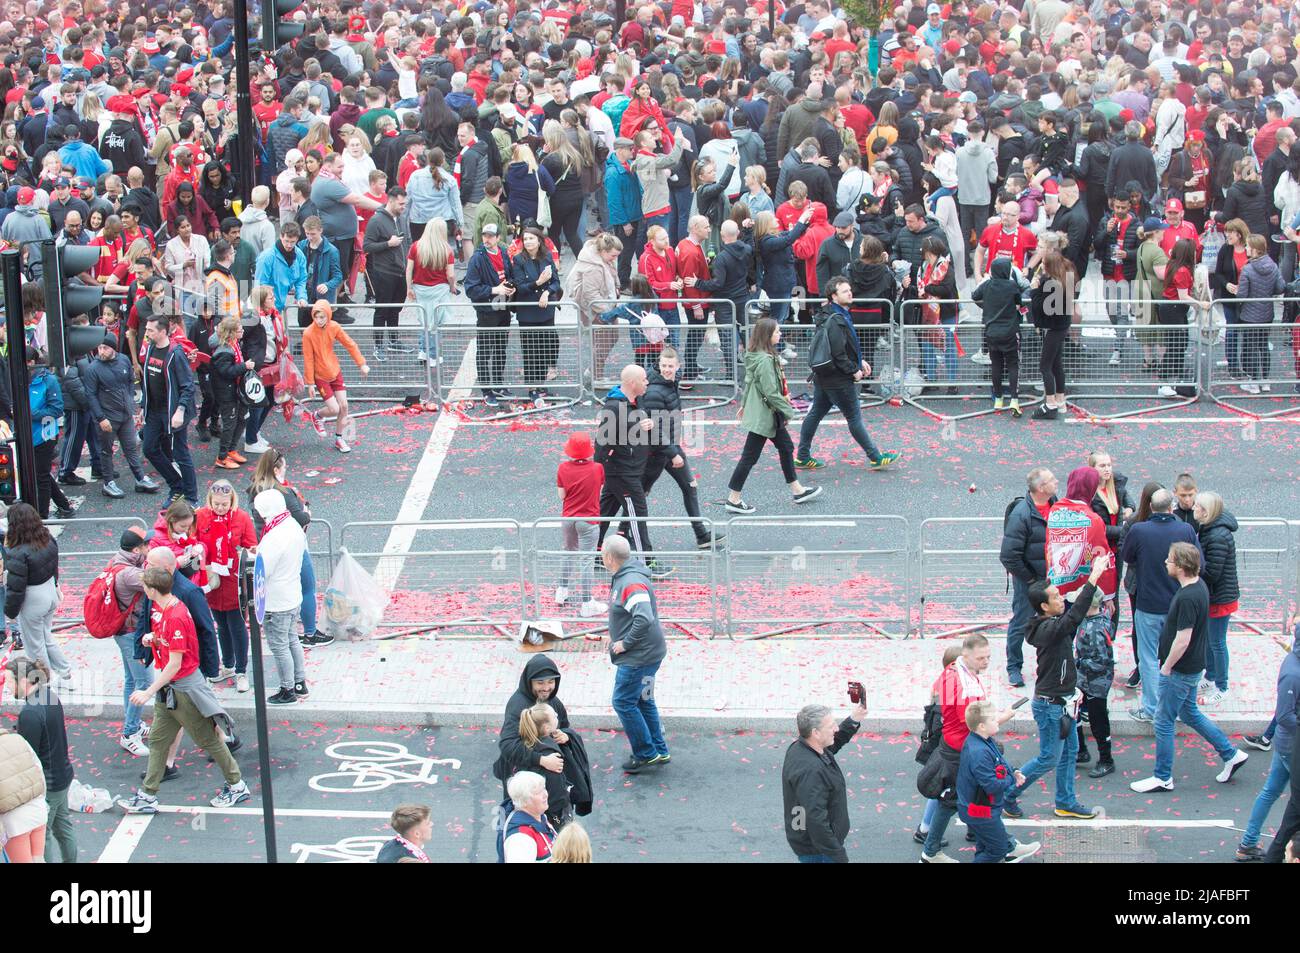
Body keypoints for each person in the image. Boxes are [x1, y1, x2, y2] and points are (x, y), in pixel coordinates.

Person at [116, 565, 250, 814]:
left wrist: (148, 691)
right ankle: (147, 795)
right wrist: (152, 639)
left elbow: (175, 663)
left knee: (208, 740)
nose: (142, 589)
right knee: (157, 740)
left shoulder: (176, 614)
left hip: (185, 689)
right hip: (171, 689)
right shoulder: (160, 608)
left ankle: (237, 785)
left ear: (153, 590)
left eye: (145, 586)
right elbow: (167, 642)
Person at [1129, 543, 1249, 793]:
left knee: (1163, 721)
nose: (1166, 563)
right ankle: (1230, 753)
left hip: (1180, 670)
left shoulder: (1187, 597)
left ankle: (1162, 777)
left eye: (1170, 560)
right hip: (1193, 666)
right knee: (1190, 713)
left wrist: (1166, 667)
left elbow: (1182, 638)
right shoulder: (1199, 587)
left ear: (1182, 567)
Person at [1001, 553, 1109, 822]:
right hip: (1051, 706)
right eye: (1057, 598)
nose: (1062, 599)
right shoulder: (1050, 629)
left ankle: (1065, 801)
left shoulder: (1050, 624)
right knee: (1049, 758)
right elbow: (1073, 619)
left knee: (1070, 752)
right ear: (1044, 607)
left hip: (1064, 702)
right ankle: (1008, 793)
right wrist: (1093, 577)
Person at [794, 277, 901, 470]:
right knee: (853, 417)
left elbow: (845, 346)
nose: (850, 293)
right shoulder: (836, 319)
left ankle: (802, 456)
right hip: (838, 378)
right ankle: (875, 456)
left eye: (849, 290)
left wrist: (860, 361)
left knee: (816, 413)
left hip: (824, 376)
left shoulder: (833, 314)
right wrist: (854, 370)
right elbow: (838, 353)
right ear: (833, 296)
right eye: (845, 291)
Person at [726, 318, 823, 514]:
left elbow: (749, 382)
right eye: (777, 332)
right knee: (750, 457)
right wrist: (789, 411)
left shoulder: (758, 356)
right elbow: (770, 392)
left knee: (785, 447)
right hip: (766, 415)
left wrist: (744, 404)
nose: (780, 334)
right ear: (767, 335)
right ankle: (733, 498)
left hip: (765, 413)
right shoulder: (765, 360)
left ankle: (797, 489)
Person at [1121, 489, 1202, 721]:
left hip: (1148, 603)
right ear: (1170, 508)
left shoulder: (1139, 530)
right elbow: (1199, 563)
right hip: (1177, 603)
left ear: (1152, 508)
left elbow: (1127, 556)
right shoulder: (1185, 529)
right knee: (1176, 654)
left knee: (1147, 656)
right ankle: (1174, 706)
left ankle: (1151, 708)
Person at [640, 348, 724, 550]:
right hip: (657, 453)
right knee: (639, 496)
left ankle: (701, 534)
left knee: (689, 487)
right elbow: (654, 430)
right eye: (664, 366)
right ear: (659, 365)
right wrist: (673, 453)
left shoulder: (670, 382)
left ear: (678, 366)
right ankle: (624, 534)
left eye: (670, 366)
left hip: (669, 447)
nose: (667, 370)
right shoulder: (653, 391)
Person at [249, 448, 330, 647]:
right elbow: (300, 517)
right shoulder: (282, 493)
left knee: (274, 590)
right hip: (292, 547)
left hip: (267, 545)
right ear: (276, 469)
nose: (287, 469)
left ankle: (278, 631)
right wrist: (307, 513)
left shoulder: (255, 489)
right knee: (307, 587)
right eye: (285, 466)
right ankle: (310, 634)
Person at [603, 534, 669, 774]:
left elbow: (643, 617)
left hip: (638, 658)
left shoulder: (629, 582)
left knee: (623, 701)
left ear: (609, 557)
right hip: (650, 654)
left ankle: (645, 753)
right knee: (644, 699)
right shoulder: (632, 575)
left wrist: (625, 644)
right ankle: (659, 750)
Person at [1236, 617, 1298, 861]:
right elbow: (1284, 716)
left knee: (1271, 791)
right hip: (1292, 747)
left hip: (1287, 744)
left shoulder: (1293, 663)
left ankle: (1248, 843)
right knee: (1294, 804)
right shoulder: (1293, 673)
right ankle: (1285, 849)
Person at [593, 363, 665, 573]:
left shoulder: (636, 401)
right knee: (637, 513)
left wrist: (647, 426)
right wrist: (599, 473)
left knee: (604, 512)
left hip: (628, 469)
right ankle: (646, 561)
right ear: (633, 383)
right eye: (644, 380)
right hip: (622, 471)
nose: (647, 382)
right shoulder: (614, 408)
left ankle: (594, 552)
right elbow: (602, 443)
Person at [781, 697, 868, 863]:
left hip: (813, 842)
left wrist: (853, 720)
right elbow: (816, 819)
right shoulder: (811, 770)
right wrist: (837, 855)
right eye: (831, 726)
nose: (835, 729)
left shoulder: (803, 747)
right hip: (818, 848)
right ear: (815, 732)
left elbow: (831, 746)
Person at [5, 656, 75, 862]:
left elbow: (26, 757)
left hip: (48, 785)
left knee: (42, 837)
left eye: (9, 681)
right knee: (64, 829)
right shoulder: (49, 696)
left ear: (25, 681)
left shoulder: (29, 713)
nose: (7, 686)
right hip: (63, 775)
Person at [957, 701, 1042, 863]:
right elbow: (992, 786)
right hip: (981, 811)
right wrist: (1011, 779)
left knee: (985, 846)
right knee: (998, 850)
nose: (998, 721)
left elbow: (999, 761)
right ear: (982, 726)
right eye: (993, 719)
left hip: (978, 808)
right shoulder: (979, 752)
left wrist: (1014, 771)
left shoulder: (982, 740)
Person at [999, 467, 1059, 687]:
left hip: (1052, 579)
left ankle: (1048, 665)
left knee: (1053, 623)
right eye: (1052, 480)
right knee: (1021, 622)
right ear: (1041, 488)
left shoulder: (1057, 507)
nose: (1057, 482)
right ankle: (1014, 667)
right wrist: (1032, 580)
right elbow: (1008, 556)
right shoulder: (1021, 514)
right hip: (1030, 582)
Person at [195, 481, 256, 693]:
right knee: (221, 626)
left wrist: (241, 555)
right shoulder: (201, 516)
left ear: (232, 501)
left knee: (237, 627)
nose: (220, 508)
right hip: (212, 580)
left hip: (233, 580)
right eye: (216, 504)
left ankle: (241, 670)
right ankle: (228, 665)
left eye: (224, 504)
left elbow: (251, 545)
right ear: (210, 501)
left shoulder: (241, 517)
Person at [252, 489, 309, 705]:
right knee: (292, 640)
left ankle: (287, 689)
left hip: (276, 600)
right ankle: (299, 682)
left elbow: (263, 571)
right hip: (292, 595)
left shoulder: (275, 537)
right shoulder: (292, 525)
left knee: (279, 645)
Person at [4, 502, 70, 682]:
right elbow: (54, 566)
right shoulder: (47, 538)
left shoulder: (18, 552)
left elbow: (15, 587)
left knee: (34, 645)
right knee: (46, 636)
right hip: (50, 592)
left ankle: (43, 681)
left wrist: (10, 611)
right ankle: (65, 673)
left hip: (33, 599)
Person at [139, 315, 198, 506]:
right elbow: (147, 381)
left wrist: (180, 411)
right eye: (147, 329)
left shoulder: (175, 353)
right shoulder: (150, 349)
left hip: (173, 411)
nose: (146, 333)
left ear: (163, 332)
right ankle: (176, 485)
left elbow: (188, 385)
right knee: (149, 448)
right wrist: (143, 406)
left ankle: (190, 496)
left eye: (150, 330)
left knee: (181, 454)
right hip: (155, 411)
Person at [302, 301, 369, 454]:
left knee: (344, 406)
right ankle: (317, 415)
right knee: (334, 408)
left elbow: (350, 344)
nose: (320, 320)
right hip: (320, 376)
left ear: (328, 315)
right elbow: (308, 359)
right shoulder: (308, 333)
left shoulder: (334, 326)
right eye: (317, 317)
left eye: (323, 317)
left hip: (335, 371)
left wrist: (361, 363)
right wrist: (310, 383)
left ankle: (339, 438)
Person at [1194, 491, 1239, 707]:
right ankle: (1210, 675)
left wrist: (1194, 565)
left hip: (1220, 597)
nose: (1193, 509)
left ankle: (1222, 685)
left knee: (1217, 642)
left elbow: (1213, 573)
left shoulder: (1217, 535)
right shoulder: (1211, 530)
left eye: (1197, 507)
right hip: (1217, 595)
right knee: (1212, 640)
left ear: (1206, 511)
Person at [554, 432, 607, 617]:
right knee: (587, 561)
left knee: (568, 552)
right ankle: (586, 603)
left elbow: (562, 496)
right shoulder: (598, 468)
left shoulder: (562, 468)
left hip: (568, 518)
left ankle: (561, 591)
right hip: (588, 520)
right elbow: (599, 489)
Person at [509, 227, 562, 403]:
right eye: (525, 239)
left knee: (544, 348)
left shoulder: (546, 257)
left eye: (532, 238)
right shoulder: (518, 260)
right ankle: (532, 387)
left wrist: (547, 292)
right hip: (528, 312)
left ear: (539, 240)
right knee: (530, 351)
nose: (528, 242)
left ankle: (541, 384)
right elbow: (520, 286)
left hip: (546, 310)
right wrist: (538, 283)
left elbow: (555, 281)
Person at [971, 258, 1029, 415]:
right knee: (1012, 365)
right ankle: (1015, 400)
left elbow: (974, 295)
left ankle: (998, 398)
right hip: (1010, 331)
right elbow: (1020, 303)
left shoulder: (988, 285)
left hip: (991, 331)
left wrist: (987, 305)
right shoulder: (1011, 286)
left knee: (996, 365)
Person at [1074, 581, 1118, 778]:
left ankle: (1106, 759)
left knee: (1098, 721)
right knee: (1075, 714)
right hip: (1086, 680)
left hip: (1096, 683)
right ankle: (1080, 750)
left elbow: (1101, 661)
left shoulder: (1094, 629)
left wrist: (1079, 662)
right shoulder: (1098, 618)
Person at [26, 349, 75, 519]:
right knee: (42, 473)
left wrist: (31, 413)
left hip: (45, 435)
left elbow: (57, 409)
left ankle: (42, 516)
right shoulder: (19, 378)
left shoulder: (49, 381)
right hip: (28, 435)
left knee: (41, 476)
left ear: (32, 362)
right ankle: (64, 506)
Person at [0, 725, 46, 863]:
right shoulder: (18, 739)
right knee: (38, 859)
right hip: (38, 812)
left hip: (15, 822)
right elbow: (39, 771)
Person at [498, 771, 557, 863]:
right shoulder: (520, 839)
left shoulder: (539, 817)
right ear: (524, 801)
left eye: (544, 789)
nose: (545, 794)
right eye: (538, 792)